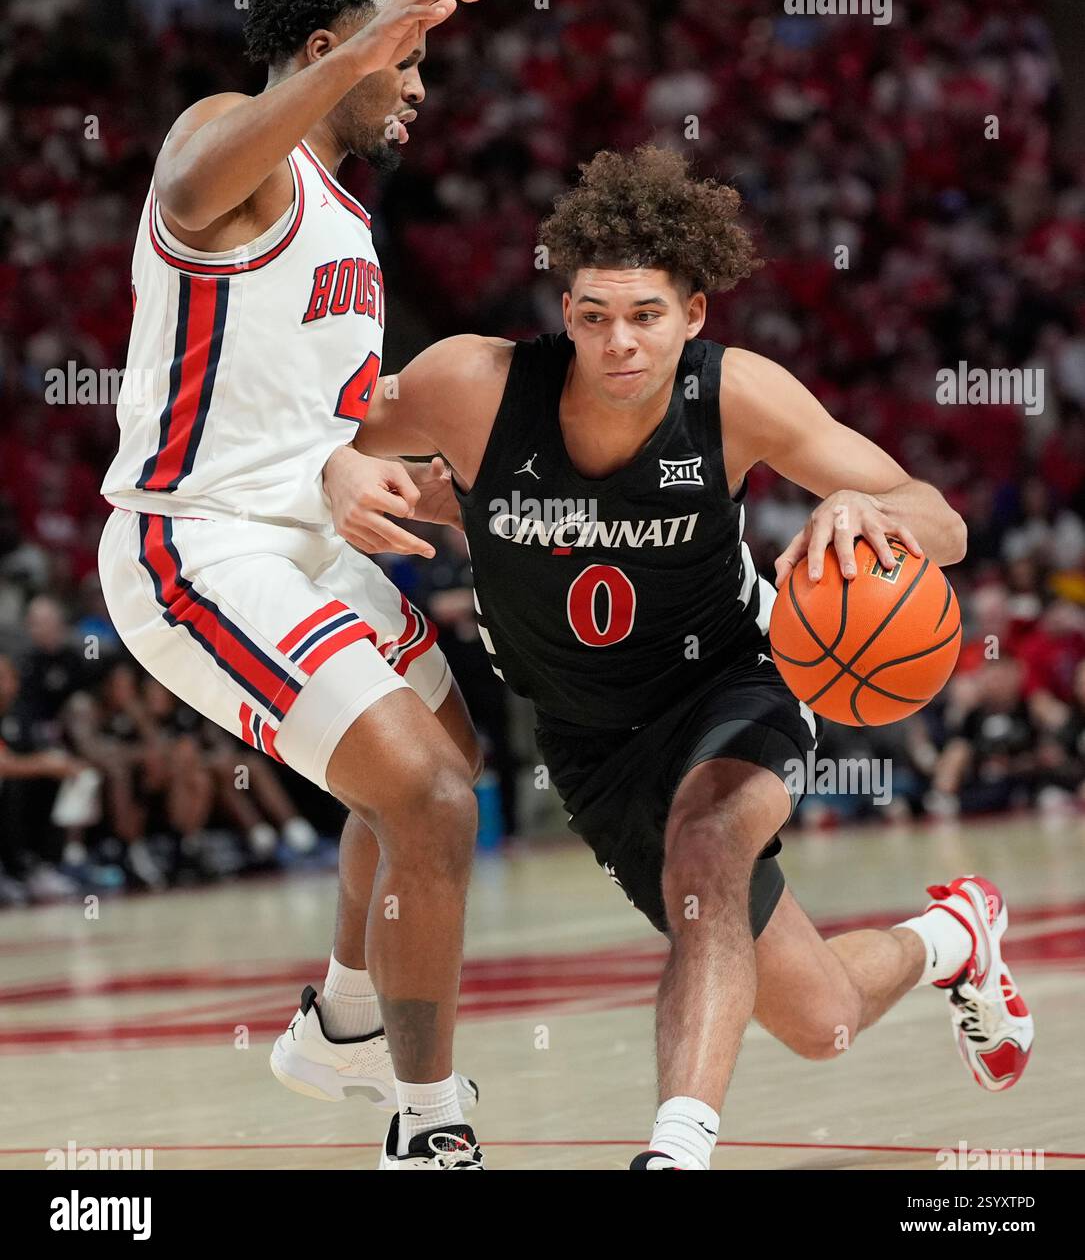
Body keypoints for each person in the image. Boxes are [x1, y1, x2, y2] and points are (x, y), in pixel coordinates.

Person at [276, 146, 1034, 1169]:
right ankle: (955, 939)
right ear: (563, 307)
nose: (617, 341)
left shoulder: (736, 397)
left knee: (708, 844)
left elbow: (935, 519)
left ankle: (675, 1149)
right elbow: (297, 433)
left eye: (643, 315)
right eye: (592, 315)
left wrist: (869, 504)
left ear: (692, 316)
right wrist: (340, 467)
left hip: (733, 682)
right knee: (822, 1020)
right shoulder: (472, 385)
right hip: (589, 743)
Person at [98, 0, 486, 1170]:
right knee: (423, 799)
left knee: (450, 758)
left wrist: (429, 491)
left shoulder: (347, 227)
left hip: (297, 540)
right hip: (192, 546)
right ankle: (424, 1125)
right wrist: (350, 53)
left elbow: (321, 433)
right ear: (329, 51)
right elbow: (181, 187)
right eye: (399, 59)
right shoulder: (236, 151)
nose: (417, 83)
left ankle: (342, 1019)